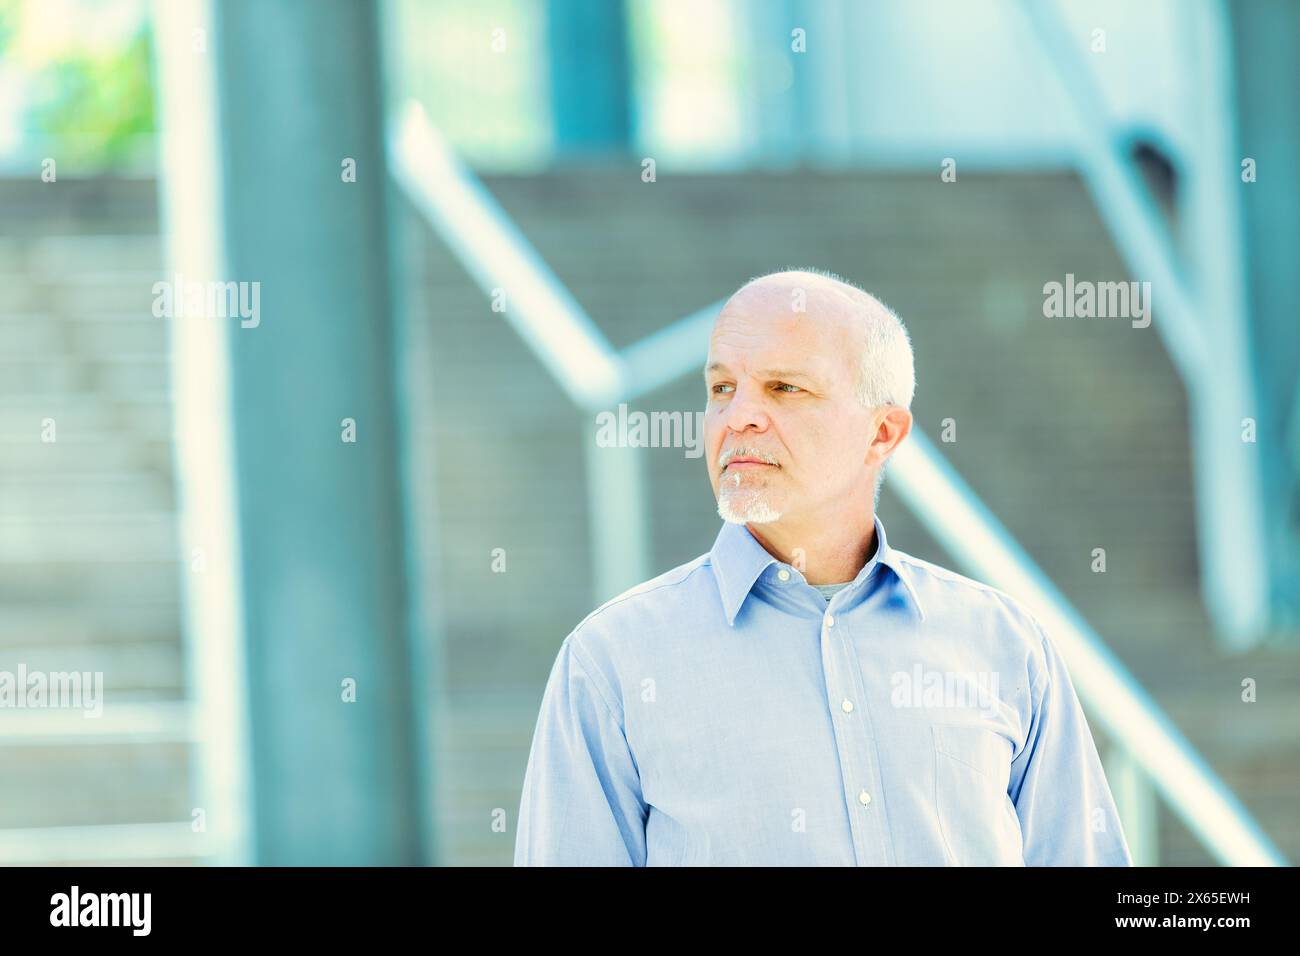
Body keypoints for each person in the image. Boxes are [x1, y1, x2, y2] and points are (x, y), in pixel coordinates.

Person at [514, 268, 1133, 866]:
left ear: (882, 433)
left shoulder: (1004, 643)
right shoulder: (610, 662)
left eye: (785, 388)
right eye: (722, 389)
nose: (738, 418)